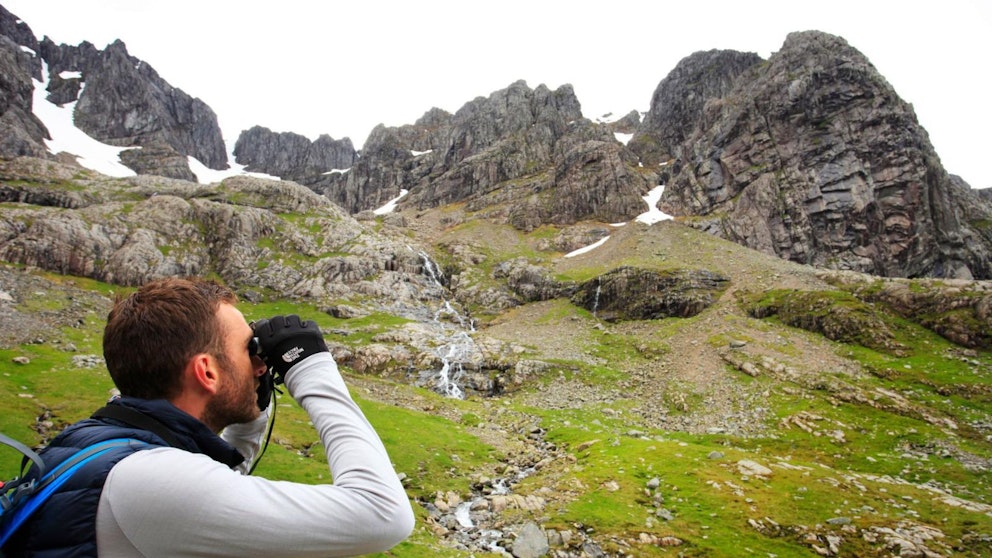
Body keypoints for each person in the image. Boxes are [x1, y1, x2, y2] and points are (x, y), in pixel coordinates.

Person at [5, 277, 415, 557]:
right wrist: (310, 368)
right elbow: (381, 514)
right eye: (246, 350)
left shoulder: (103, 443)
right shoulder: (149, 483)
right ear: (206, 372)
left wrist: (252, 405)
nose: (259, 364)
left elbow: (215, 488)